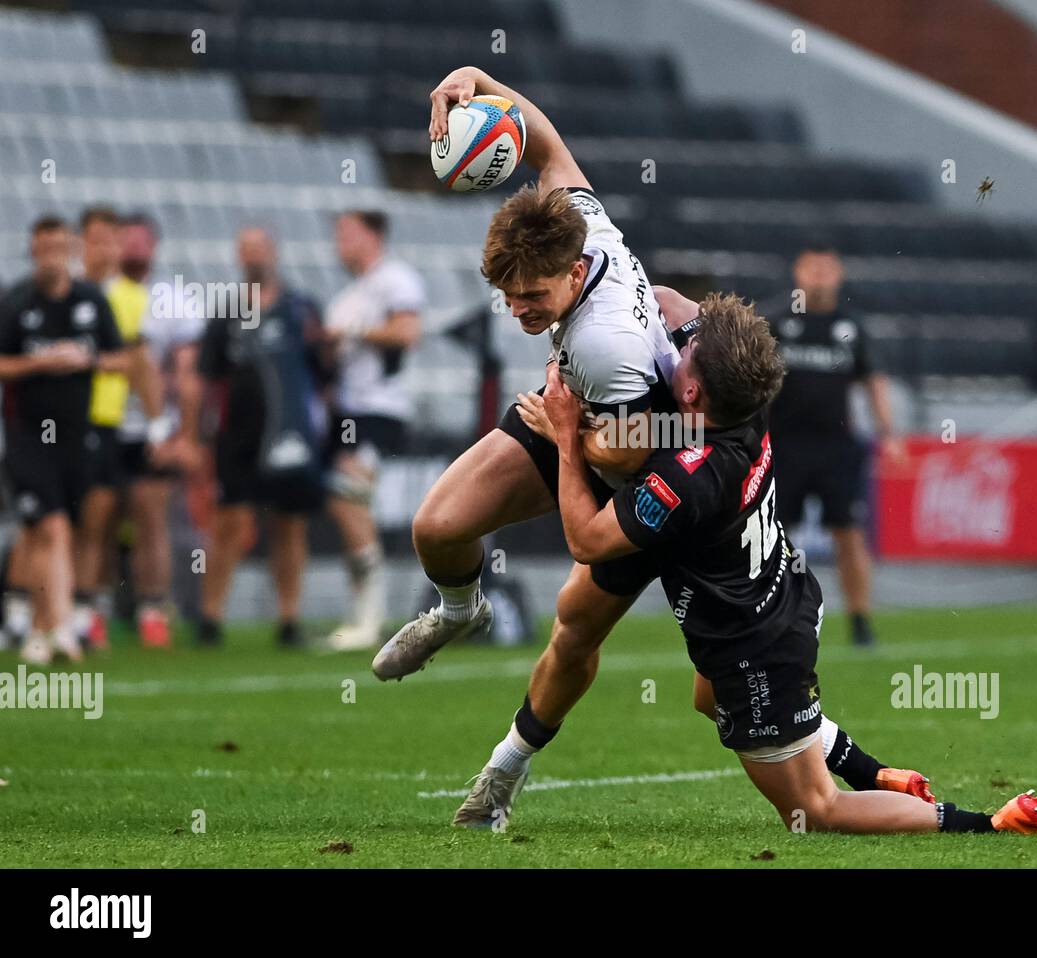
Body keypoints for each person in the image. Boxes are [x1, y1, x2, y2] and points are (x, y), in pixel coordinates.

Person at [378, 67, 923, 824]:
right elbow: (548, 144)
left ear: (573, 277)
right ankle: (459, 609)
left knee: (581, 631)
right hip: (582, 408)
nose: (519, 310)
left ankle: (502, 776)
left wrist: (569, 438)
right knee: (437, 527)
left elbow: (639, 447)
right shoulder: (580, 221)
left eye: (533, 298)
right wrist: (479, 83)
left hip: (635, 452)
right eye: (508, 296)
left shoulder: (608, 349)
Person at [532, 292, 1037, 837]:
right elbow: (672, 305)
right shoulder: (746, 401)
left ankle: (989, 823)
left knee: (818, 810)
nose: (678, 353)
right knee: (707, 696)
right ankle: (876, 771)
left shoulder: (688, 473)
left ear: (693, 392)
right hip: (783, 595)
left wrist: (564, 436)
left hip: (755, 648)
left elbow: (586, 540)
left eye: (686, 355)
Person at [0, 216, 132, 665]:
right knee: (50, 527)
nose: (53, 254)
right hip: (26, 434)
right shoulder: (17, 301)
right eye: (45, 246)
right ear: (34, 250)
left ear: (71, 249)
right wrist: (42, 363)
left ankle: (40, 629)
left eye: (60, 245)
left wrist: (86, 358)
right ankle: (60, 627)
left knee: (54, 532)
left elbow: (121, 359)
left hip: (77, 435)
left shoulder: (91, 300)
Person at [196, 227, 329, 648]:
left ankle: (289, 618)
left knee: (288, 524)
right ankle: (211, 617)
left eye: (259, 250)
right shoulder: (228, 311)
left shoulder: (300, 309)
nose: (253, 258)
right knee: (230, 522)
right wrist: (198, 435)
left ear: (274, 253)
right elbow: (206, 378)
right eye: (246, 251)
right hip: (237, 436)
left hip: (290, 435)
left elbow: (324, 374)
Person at [767, 244, 904, 647]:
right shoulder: (776, 321)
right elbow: (752, 379)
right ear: (798, 271)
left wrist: (888, 434)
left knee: (849, 533)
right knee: (775, 534)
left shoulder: (851, 327)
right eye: (812, 267)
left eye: (828, 268)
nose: (820, 275)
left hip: (836, 447)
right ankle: (774, 616)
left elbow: (873, 380)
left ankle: (860, 621)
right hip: (784, 446)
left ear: (839, 273)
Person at [320, 210, 426, 651]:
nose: (339, 241)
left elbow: (407, 332)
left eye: (347, 231)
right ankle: (364, 611)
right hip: (346, 413)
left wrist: (351, 332)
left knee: (348, 495)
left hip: (380, 410)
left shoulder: (394, 280)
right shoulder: (345, 296)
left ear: (373, 235)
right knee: (346, 503)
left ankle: (370, 616)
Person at [73, 206, 165, 651]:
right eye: (95, 240)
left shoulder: (130, 296)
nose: (104, 249)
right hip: (67, 422)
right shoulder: (66, 292)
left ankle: (144, 613)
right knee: (84, 524)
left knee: (132, 518)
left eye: (111, 240)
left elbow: (140, 362)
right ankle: (80, 610)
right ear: (81, 245)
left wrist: (158, 424)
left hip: (113, 422)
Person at [116, 213, 204, 647]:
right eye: (124, 238)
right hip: (102, 421)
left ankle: (153, 608)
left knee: (152, 517)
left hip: (153, 426)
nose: (133, 247)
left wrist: (183, 435)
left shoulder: (172, 298)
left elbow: (188, 372)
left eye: (140, 239)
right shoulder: (99, 292)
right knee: (93, 517)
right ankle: (86, 609)